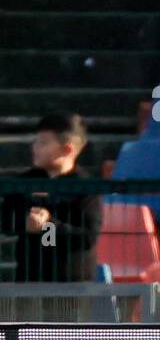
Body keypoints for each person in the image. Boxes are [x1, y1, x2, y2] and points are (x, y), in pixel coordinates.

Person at [2, 113, 100, 283]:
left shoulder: (86, 187)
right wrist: (24, 223)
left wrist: (48, 225)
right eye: (36, 142)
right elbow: (5, 218)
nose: (35, 148)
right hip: (29, 280)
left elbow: (87, 237)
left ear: (67, 149)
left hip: (72, 285)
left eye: (44, 143)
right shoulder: (24, 183)